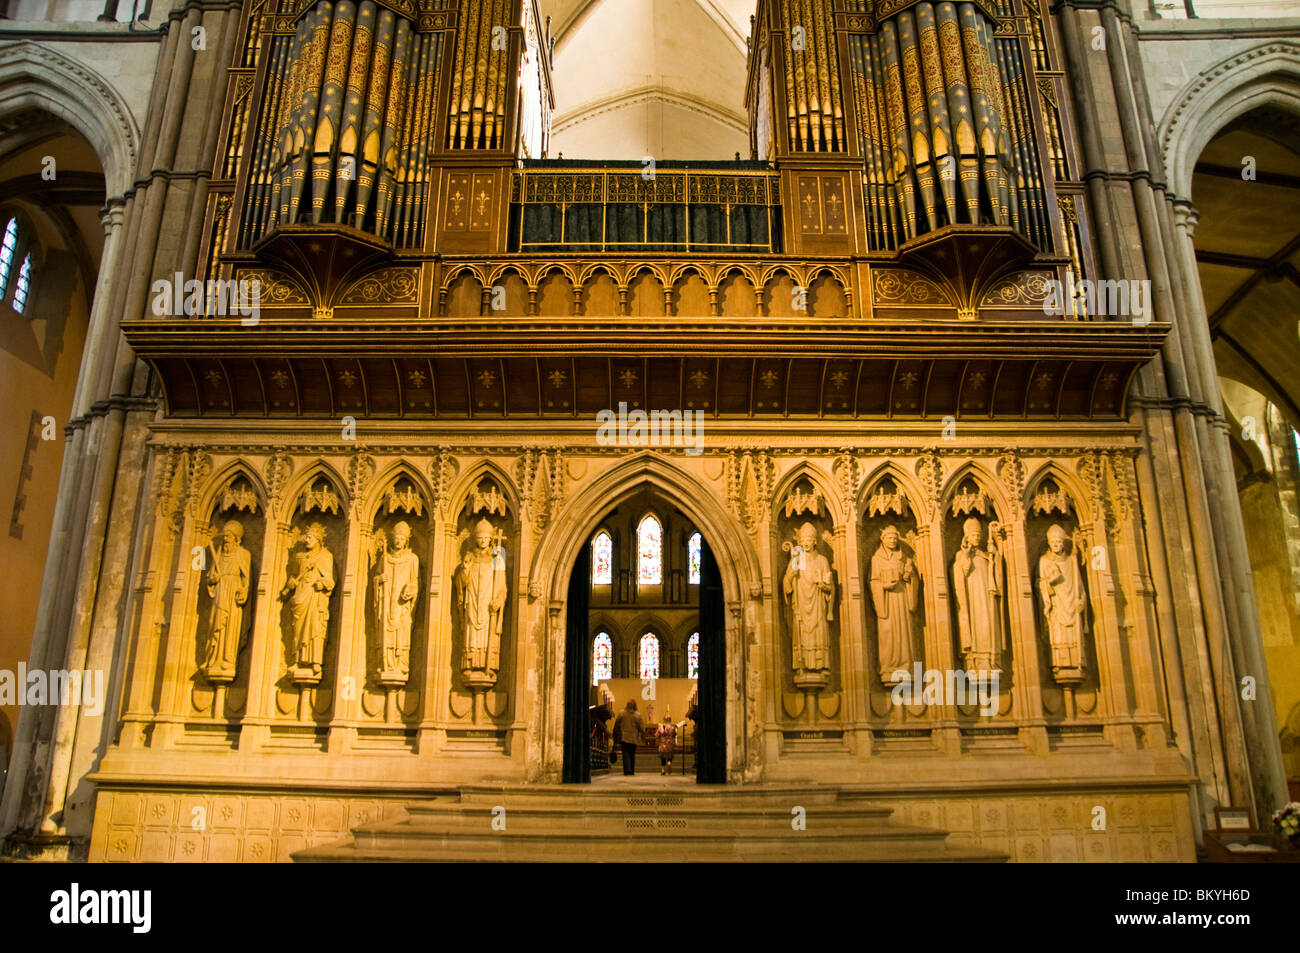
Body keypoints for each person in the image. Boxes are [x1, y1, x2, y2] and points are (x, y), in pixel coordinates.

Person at [613, 700, 644, 776]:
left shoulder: (621, 713)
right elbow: (641, 727)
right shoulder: (638, 715)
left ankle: (627, 770)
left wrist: (615, 734)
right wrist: (643, 735)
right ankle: (631, 770)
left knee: (625, 753)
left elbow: (616, 725)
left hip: (624, 737)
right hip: (633, 738)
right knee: (632, 754)